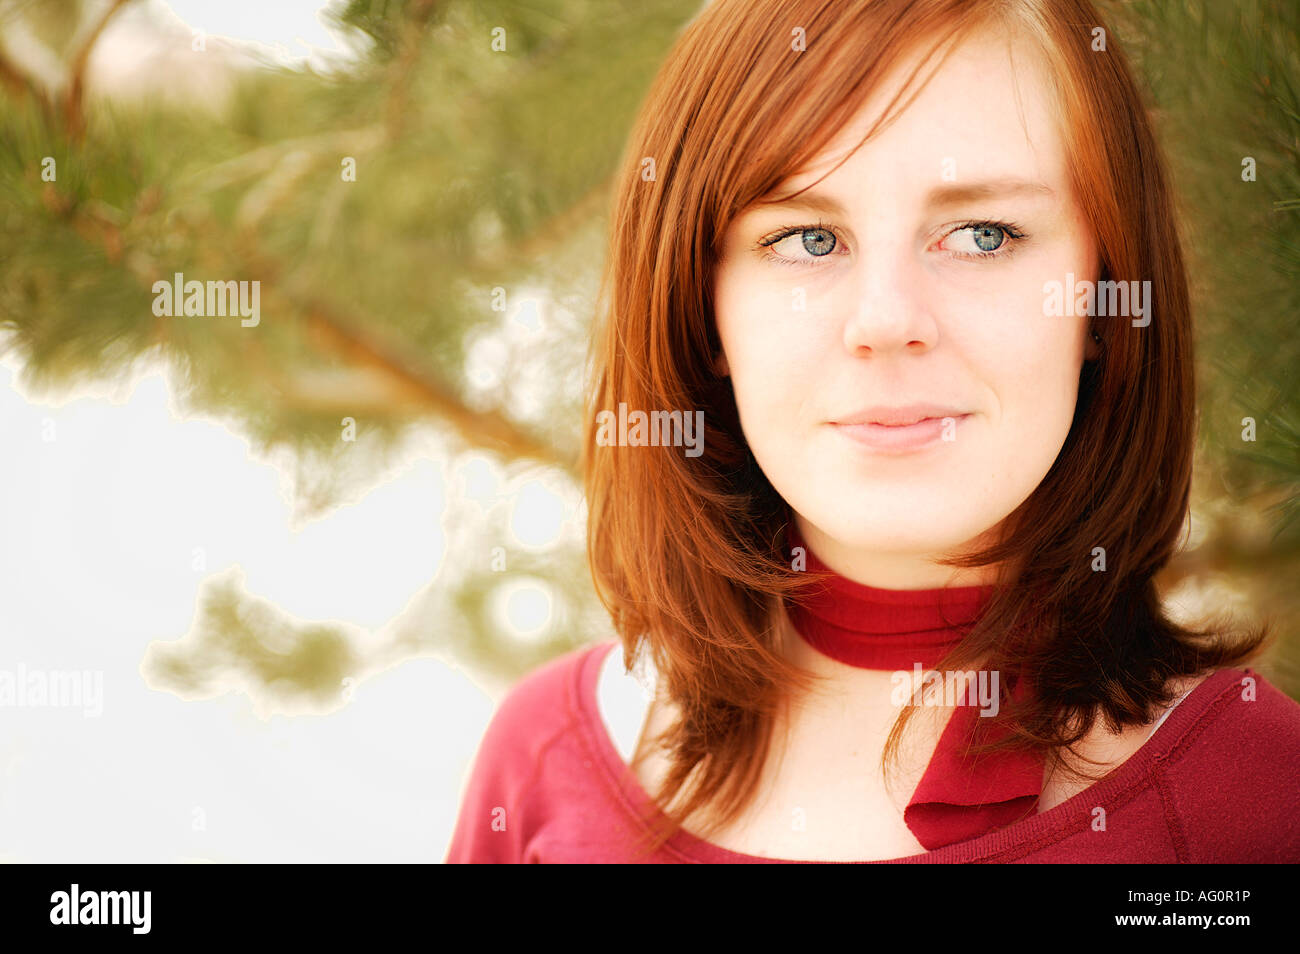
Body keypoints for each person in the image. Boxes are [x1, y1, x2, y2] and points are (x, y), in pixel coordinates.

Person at [445, 0, 1300, 863]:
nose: (887, 321)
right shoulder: (546, 760)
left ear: (1105, 296)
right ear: (703, 311)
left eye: (983, 234)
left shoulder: (1259, 797)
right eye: (808, 238)